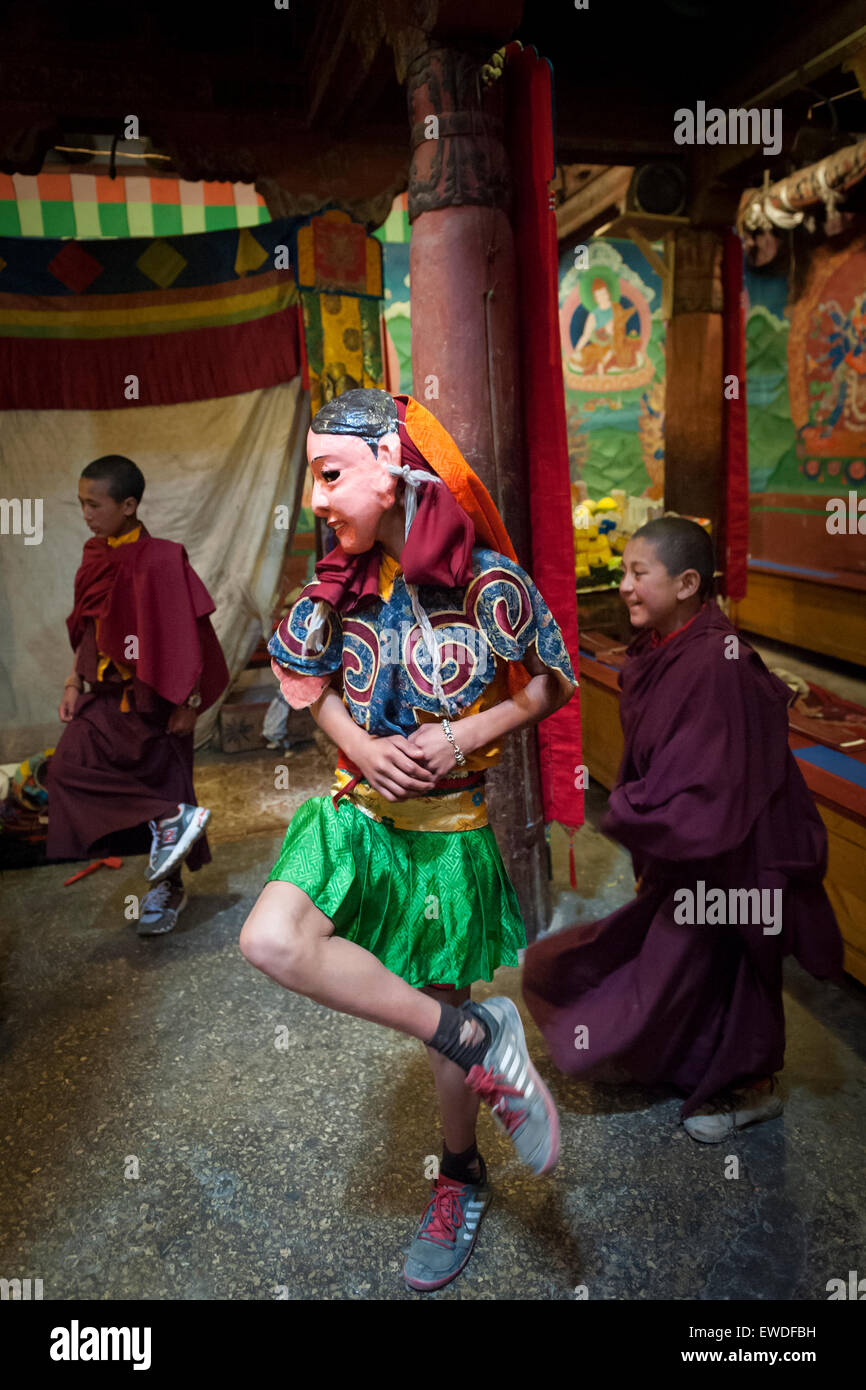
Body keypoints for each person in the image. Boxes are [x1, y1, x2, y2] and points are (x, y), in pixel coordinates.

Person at [239, 389, 577, 1292]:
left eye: (331, 474)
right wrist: (361, 747)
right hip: (353, 813)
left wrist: (465, 735)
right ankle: (479, 1036)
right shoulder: (336, 585)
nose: (316, 497)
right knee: (269, 939)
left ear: (395, 469)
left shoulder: (487, 583)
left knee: (434, 1033)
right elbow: (314, 691)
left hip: (446, 833)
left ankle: (460, 1176)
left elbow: (553, 682)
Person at [522, 516, 843, 1143]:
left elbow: (711, 785)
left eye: (639, 574)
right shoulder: (671, 645)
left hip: (739, 854)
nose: (624, 586)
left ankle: (751, 1088)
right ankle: (691, 1065)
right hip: (698, 853)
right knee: (671, 965)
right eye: (623, 572)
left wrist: (639, 813)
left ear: (688, 582)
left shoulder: (719, 661)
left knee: (717, 968)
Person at [47, 455, 229, 935]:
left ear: (128, 505)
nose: (87, 514)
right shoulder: (95, 554)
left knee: (164, 786)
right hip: (104, 696)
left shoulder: (163, 558)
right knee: (67, 769)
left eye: (94, 504)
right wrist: (73, 681)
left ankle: (166, 889)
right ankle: (172, 818)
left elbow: (189, 637)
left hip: (156, 700)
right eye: (81, 504)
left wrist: (189, 704)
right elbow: (90, 626)